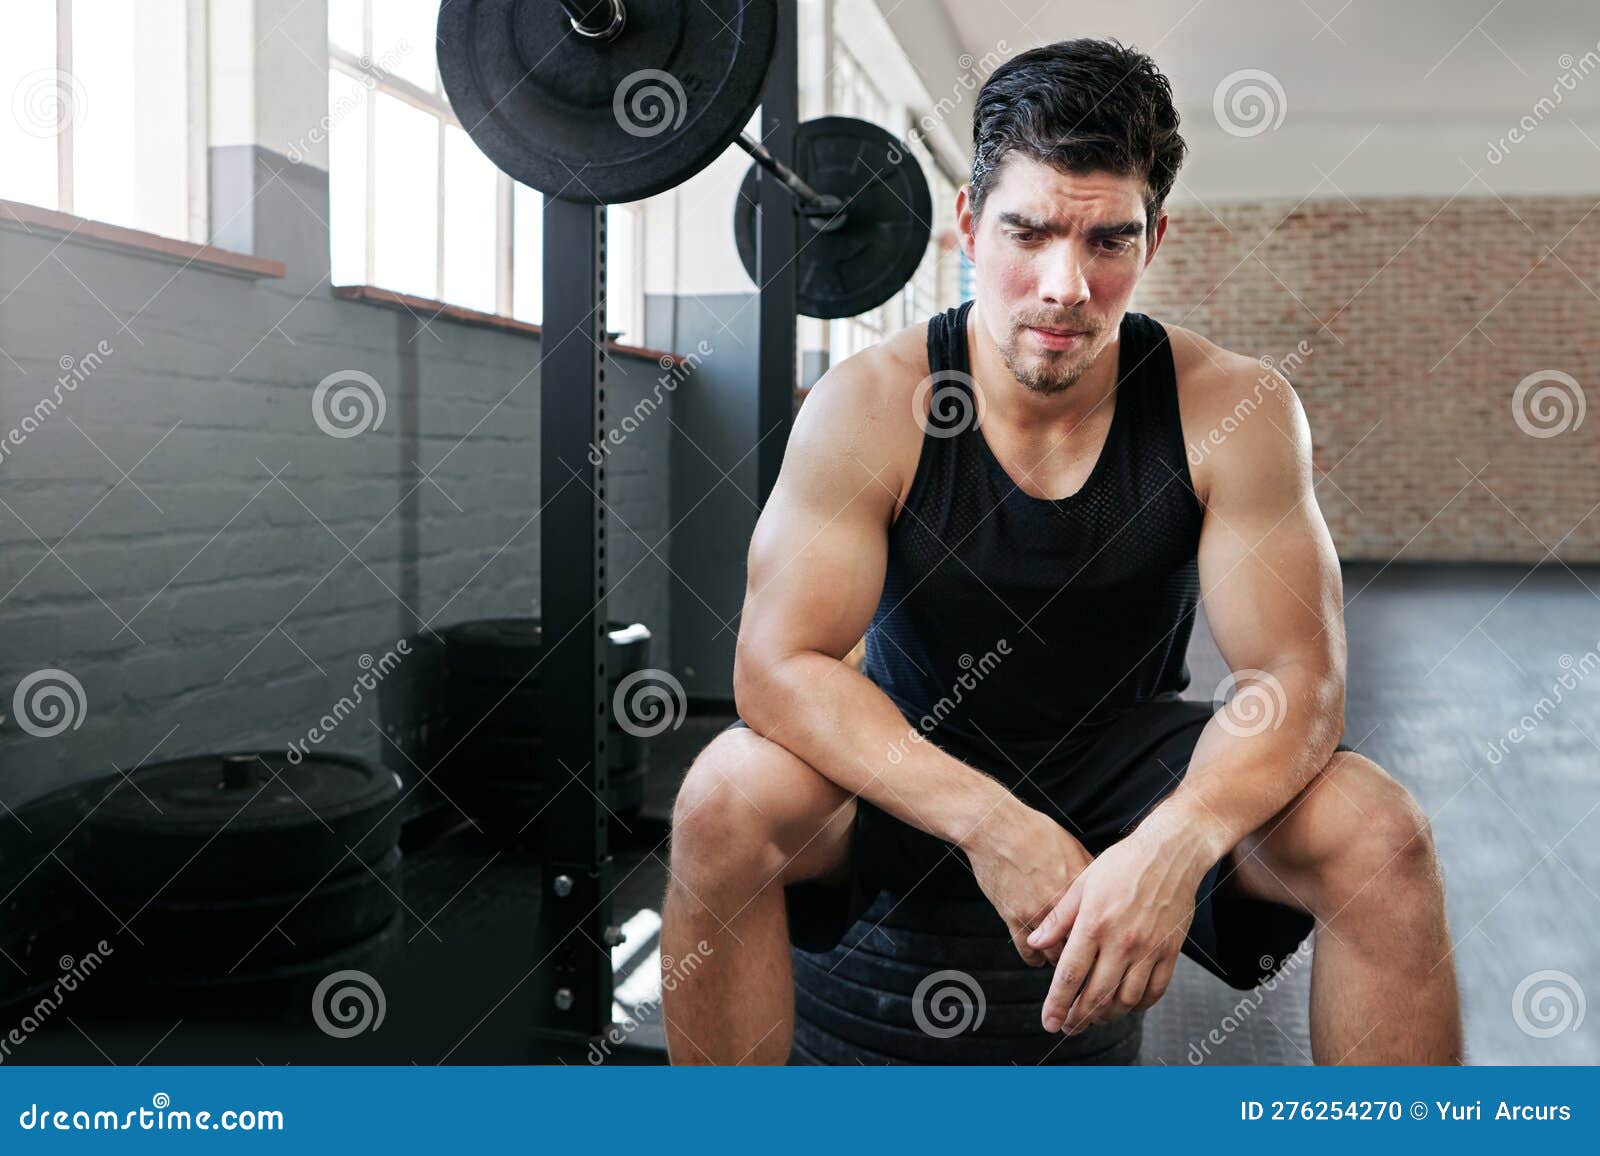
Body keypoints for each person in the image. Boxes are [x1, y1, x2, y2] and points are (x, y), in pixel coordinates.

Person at [660, 38, 1463, 1065]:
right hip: (913, 750)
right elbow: (776, 669)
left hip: (1126, 759)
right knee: (725, 794)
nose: (1064, 285)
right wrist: (993, 824)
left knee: (1377, 832)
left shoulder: (1233, 409)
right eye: (1027, 232)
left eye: (1107, 243)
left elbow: (1295, 679)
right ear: (965, 222)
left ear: (1155, 239)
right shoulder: (869, 406)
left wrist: (1176, 842)